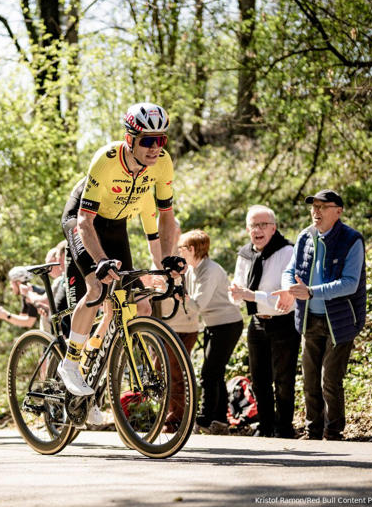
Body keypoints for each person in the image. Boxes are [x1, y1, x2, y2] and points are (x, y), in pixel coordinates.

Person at [59, 102, 178, 399]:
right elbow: (85, 221)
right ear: (130, 139)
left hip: (116, 225)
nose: (155, 148)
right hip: (82, 219)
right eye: (148, 141)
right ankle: (70, 363)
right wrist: (99, 261)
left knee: (139, 305)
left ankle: (95, 364)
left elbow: (166, 217)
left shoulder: (162, 163)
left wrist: (166, 260)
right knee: (97, 288)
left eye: (160, 140)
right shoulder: (106, 160)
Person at [273, 189, 366, 441]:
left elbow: (350, 283)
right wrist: (290, 290)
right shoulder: (305, 236)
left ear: (338, 211)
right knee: (311, 379)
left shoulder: (352, 240)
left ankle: (333, 431)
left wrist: (310, 291)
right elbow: (290, 270)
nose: (316, 211)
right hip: (308, 319)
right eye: (314, 206)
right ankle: (313, 431)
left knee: (330, 380)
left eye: (323, 207)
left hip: (340, 321)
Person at [230, 205, 299, 438]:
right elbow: (238, 290)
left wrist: (250, 295)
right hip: (257, 323)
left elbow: (284, 298)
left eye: (262, 225)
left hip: (283, 323)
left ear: (274, 228)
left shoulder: (287, 252)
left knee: (283, 379)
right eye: (253, 226)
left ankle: (284, 427)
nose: (257, 230)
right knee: (259, 380)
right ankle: (265, 425)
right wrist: (236, 294)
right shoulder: (245, 254)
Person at [179, 230, 243, 435]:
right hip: (213, 325)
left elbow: (197, 304)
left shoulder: (210, 270)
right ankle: (220, 419)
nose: (178, 252)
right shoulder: (193, 269)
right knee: (216, 373)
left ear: (191, 249)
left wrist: (177, 294)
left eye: (181, 248)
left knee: (209, 373)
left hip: (227, 325)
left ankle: (205, 418)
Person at [159, 220, 202, 433]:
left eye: (173, 230)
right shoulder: (156, 254)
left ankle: (175, 420)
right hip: (162, 325)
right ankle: (167, 417)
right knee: (162, 371)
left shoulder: (182, 259)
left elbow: (189, 297)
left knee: (176, 373)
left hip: (183, 326)